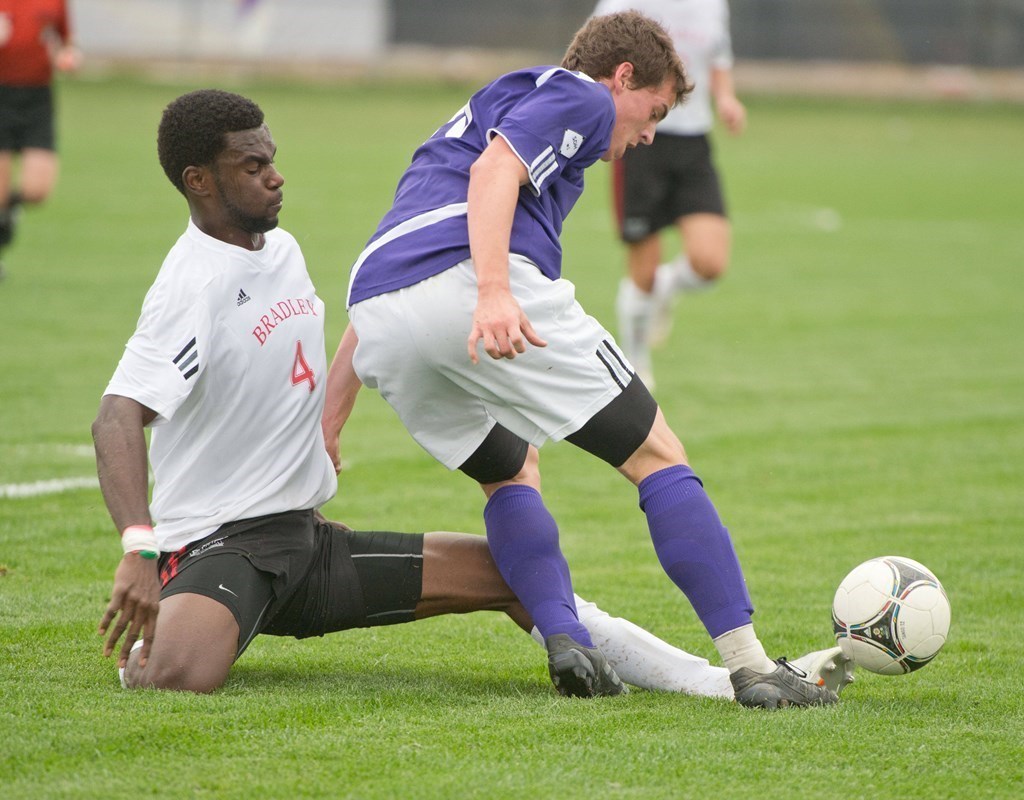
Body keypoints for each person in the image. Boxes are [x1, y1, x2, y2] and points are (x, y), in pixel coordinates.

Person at [94, 88, 852, 700]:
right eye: (252, 166)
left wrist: (329, 417)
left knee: (521, 575)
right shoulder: (191, 286)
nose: (275, 175)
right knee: (182, 676)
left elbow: (348, 327)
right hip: (223, 544)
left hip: (307, 544)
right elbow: (118, 415)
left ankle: (721, 682)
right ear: (199, 181)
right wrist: (139, 547)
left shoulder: (282, 249)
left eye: (273, 159)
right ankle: (201, 613)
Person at [323, 12, 839, 708]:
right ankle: (751, 667)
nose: (651, 133)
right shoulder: (583, 96)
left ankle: (567, 640)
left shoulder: (495, 104)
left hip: (379, 312)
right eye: (652, 110)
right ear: (621, 77)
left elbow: (392, 274)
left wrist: (329, 421)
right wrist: (496, 293)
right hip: (470, 284)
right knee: (658, 455)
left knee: (511, 469)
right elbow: (496, 169)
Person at [593, 0, 746, 389]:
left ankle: (665, 289)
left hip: (694, 143)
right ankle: (635, 362)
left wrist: (726, 97)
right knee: (641, 268)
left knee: (710, 262)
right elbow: (594, 50)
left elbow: (718, 54)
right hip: (641, 141)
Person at [0, 0, 80, 277]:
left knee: (37, 190)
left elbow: (66, 41)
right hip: (1, 96)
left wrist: (68, 56)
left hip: (37, 99)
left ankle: (8, 212)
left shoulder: (54, 2)